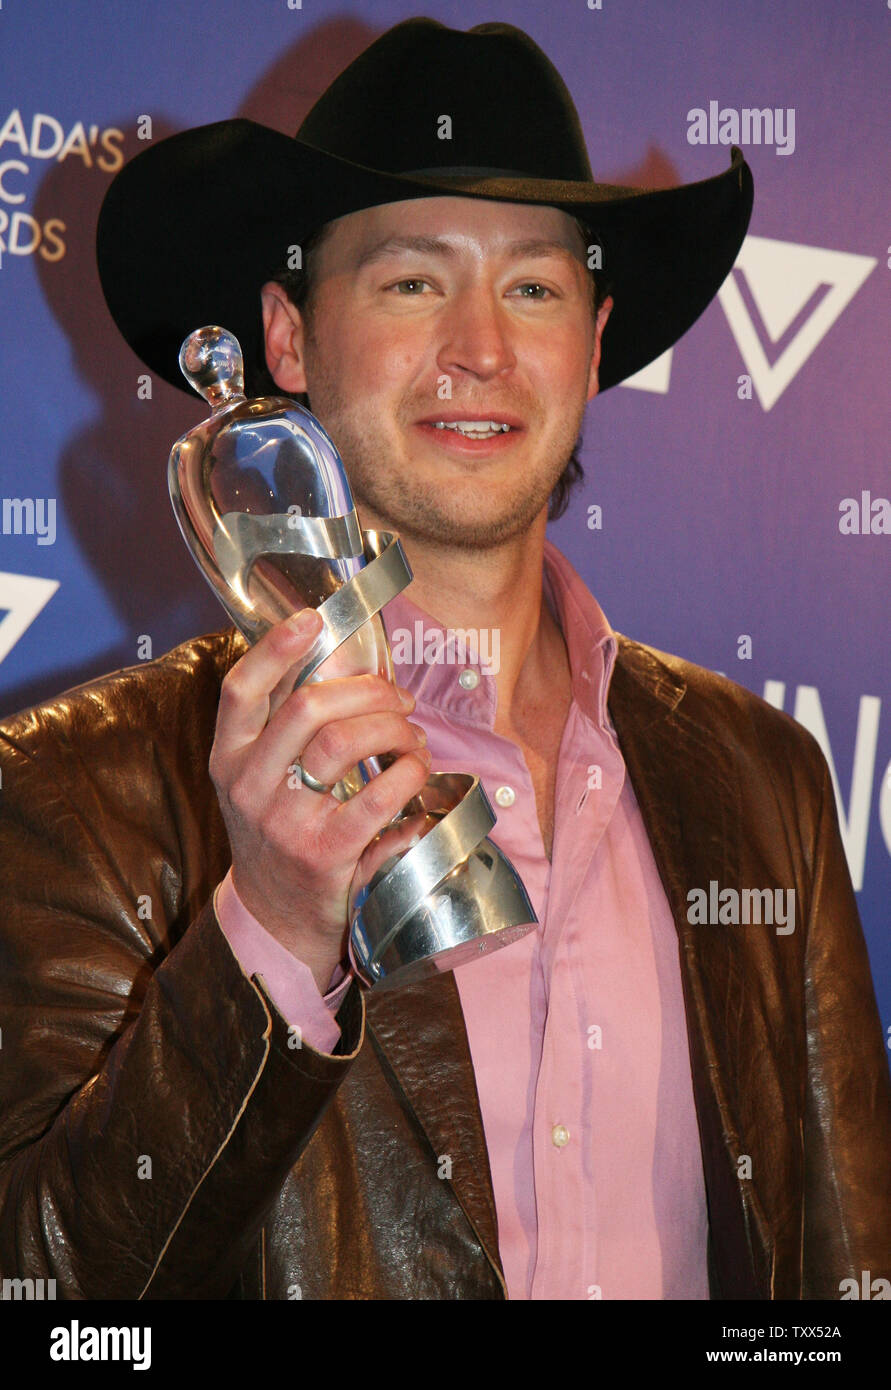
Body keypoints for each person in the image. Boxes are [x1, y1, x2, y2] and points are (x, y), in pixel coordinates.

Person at [1, 17, 889, 1302]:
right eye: (413, 282)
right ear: (290, 339)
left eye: (532, 286)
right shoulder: (82, 791)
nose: (481, 346)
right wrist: (268, 937)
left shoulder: (767, 781)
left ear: (592, 346)